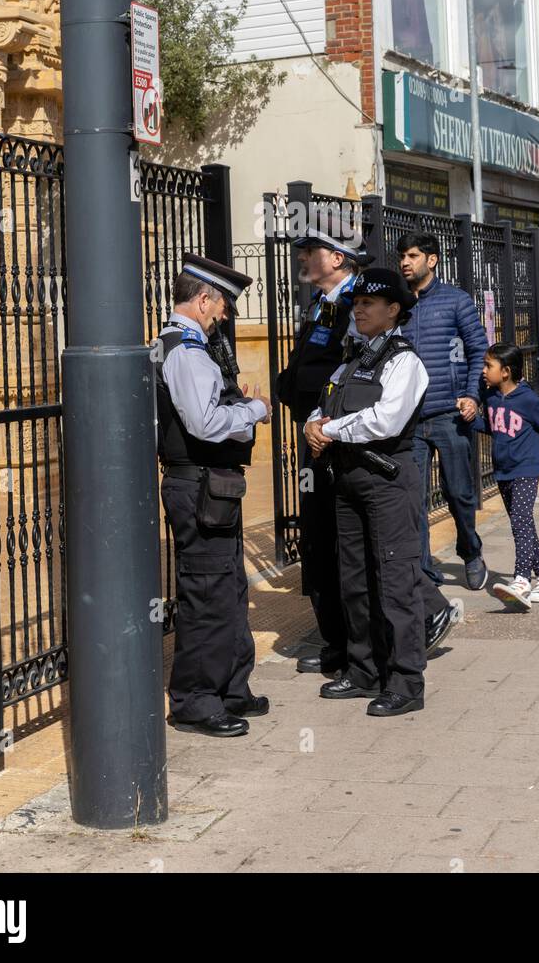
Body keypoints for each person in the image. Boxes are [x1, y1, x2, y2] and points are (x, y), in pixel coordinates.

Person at [304, 269, 432, 716]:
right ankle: (363, 672)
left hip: (387, 481)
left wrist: (330, 430)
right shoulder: (353, 359)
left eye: (368, 304)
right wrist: (312, 424)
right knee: (354, 582)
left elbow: (386, 420)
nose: (358, 309)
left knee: (395, 584)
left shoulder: (404, 362)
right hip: (349, 482)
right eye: (355, 303)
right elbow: (325, 402)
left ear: (393, 310)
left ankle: (405, 683)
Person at [156, 254, 272, 737]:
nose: (223, 315)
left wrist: (236, 403)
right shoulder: (185, 349)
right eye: (222, 306)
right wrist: (254, 411)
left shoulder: (189, 346)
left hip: (213, 483)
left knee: (228, 586)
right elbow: (203, 423)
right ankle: (195, 700)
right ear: (203, 300)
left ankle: (229, 686)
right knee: (207, 589)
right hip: (198, 482)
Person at [275, 230, 369, 675]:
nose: (303, 259)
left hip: (338, 437)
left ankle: (360, 645)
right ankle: (335, 642)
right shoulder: (320, 303)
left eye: (309, 252)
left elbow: (353, 374)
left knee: (343, 545)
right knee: (318, 544)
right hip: (314, 435)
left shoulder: (358, 303)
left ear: (336, 258)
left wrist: (325, 419)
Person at [398, 232, 490, 591]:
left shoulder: (456, 301)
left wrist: (472, 395)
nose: (405, 262)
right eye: (402, 256)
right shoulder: (397, 306)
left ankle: (471, 552)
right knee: (413, 498)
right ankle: (424, 572)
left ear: (431, 260)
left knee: (459, 493)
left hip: (450, 415)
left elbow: (478, 349)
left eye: (413, 255)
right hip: (409, 420)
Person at [461, 344, 539, 612]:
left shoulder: (528, 400)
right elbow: (493, 428)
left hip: (526, 469)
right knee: (523, 524)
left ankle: (522, 579)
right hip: (503, 471)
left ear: (505, 372)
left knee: (520, 522)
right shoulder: (491, 398)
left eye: (488, 366)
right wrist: (468, 419)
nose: (483, 371)